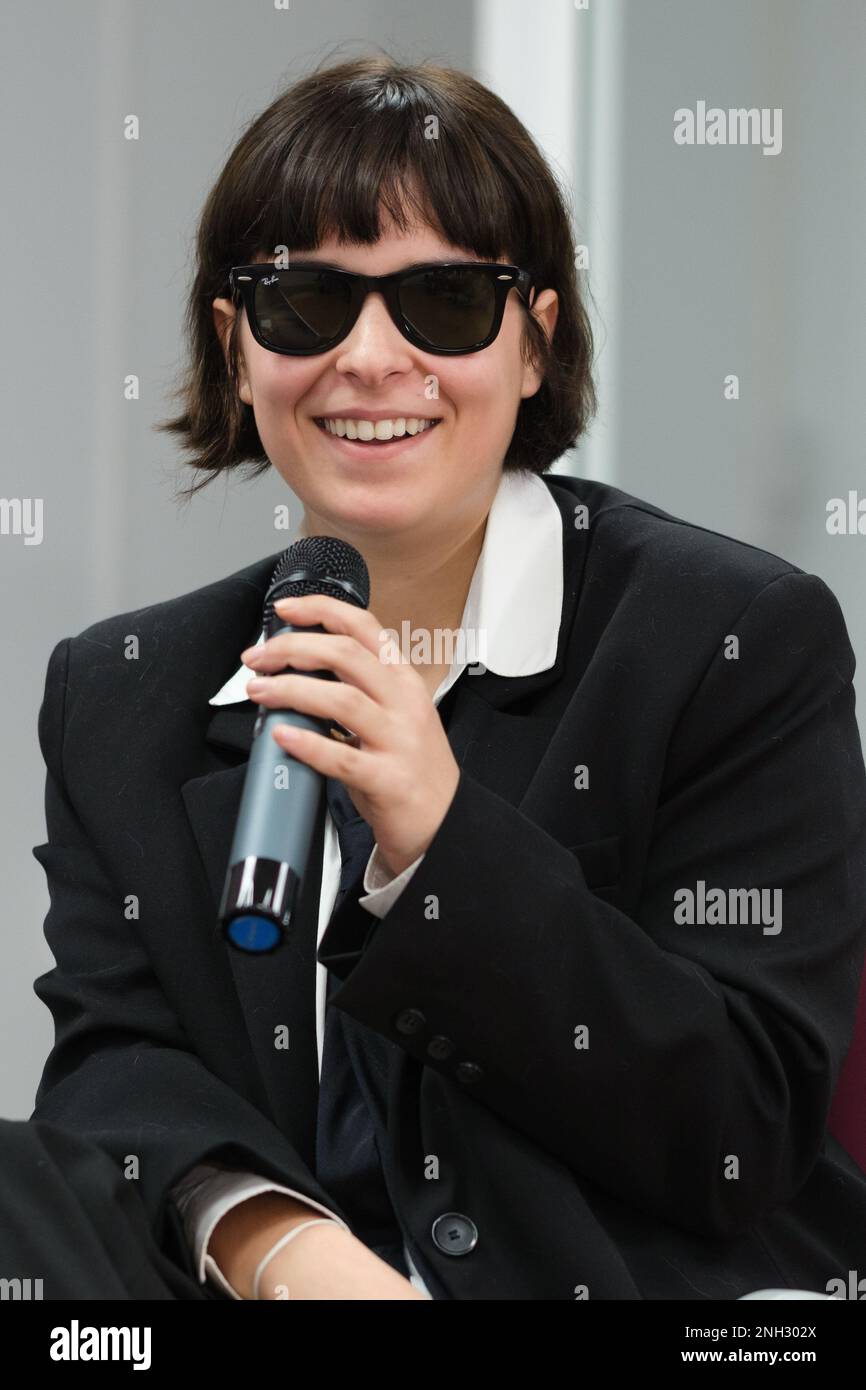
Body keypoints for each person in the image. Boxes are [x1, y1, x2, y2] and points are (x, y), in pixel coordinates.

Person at [17, 53, 866, 1301]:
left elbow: (735, 1133)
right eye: (305, 301)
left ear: (533, 344)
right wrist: (287, 1252)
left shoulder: (729, 638)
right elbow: (115, 1072)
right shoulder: (120, 691)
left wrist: (440, 848)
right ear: (235, 343)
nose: (369, 356)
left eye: (445, 304)